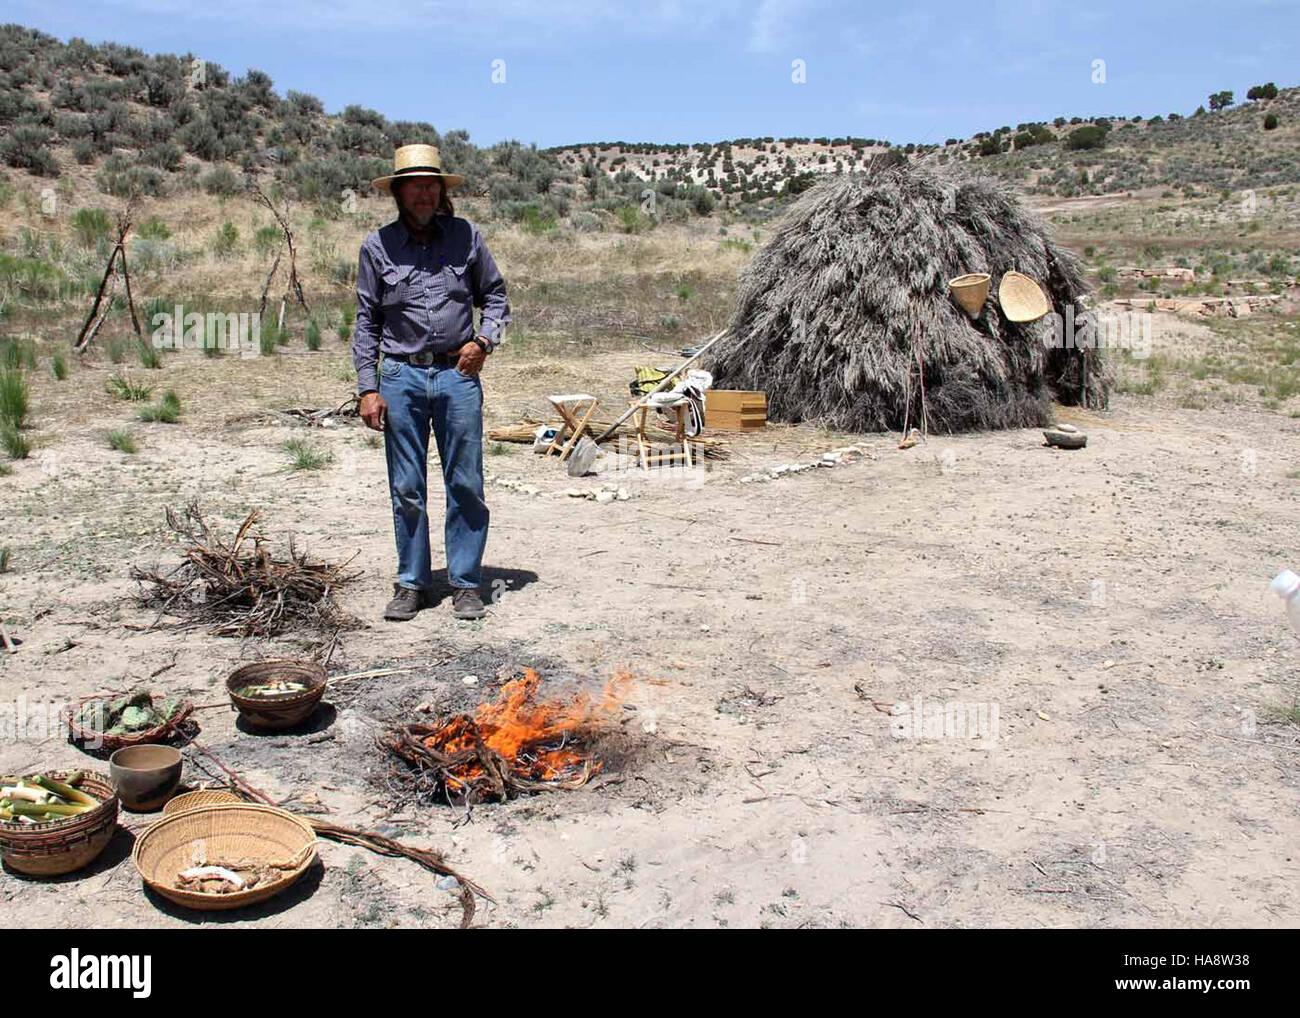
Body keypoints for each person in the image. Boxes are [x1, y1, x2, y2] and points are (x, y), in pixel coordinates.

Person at [352, 144, 510, 621]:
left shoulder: (467, 237)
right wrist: (367, 387)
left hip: (457, 374)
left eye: (430, 184)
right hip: (399, 374)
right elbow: (366, 322)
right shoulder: (377, 246)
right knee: (406, 485)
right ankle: (412, 583)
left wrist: (483, 342)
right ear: (398, 192)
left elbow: (497, 297)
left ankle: (464, 583)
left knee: (465, 480)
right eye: (413, 184)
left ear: (441, 190)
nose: (423, 192)